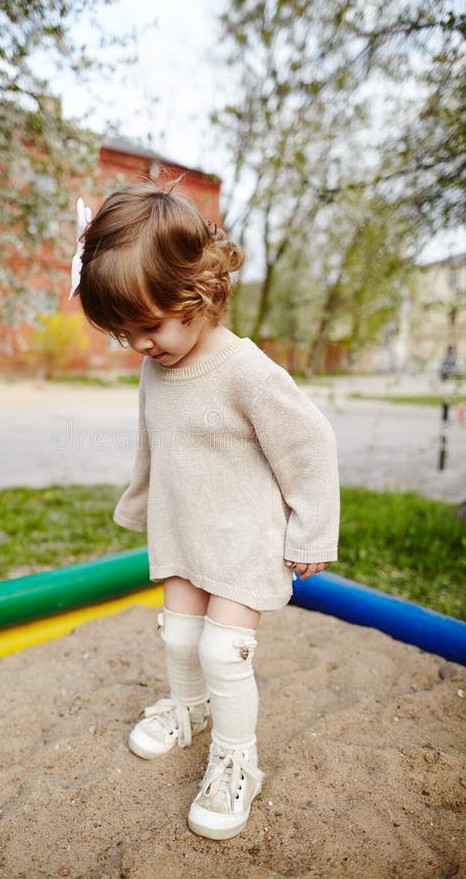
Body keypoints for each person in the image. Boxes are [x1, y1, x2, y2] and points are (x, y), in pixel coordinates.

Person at [73, 183, 339, 841]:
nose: (138, 344)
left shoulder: (244, 371)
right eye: (122, 331)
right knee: (179, 636)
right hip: (184, 524)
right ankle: (187, 710)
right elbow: (153, 438)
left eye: (150, 325)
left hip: (241, 535)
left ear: (199, 293)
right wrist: (141, 499)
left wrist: (311, 529)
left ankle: (236, 762)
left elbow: (310, 443)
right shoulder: (156, 367)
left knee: (224, 650)